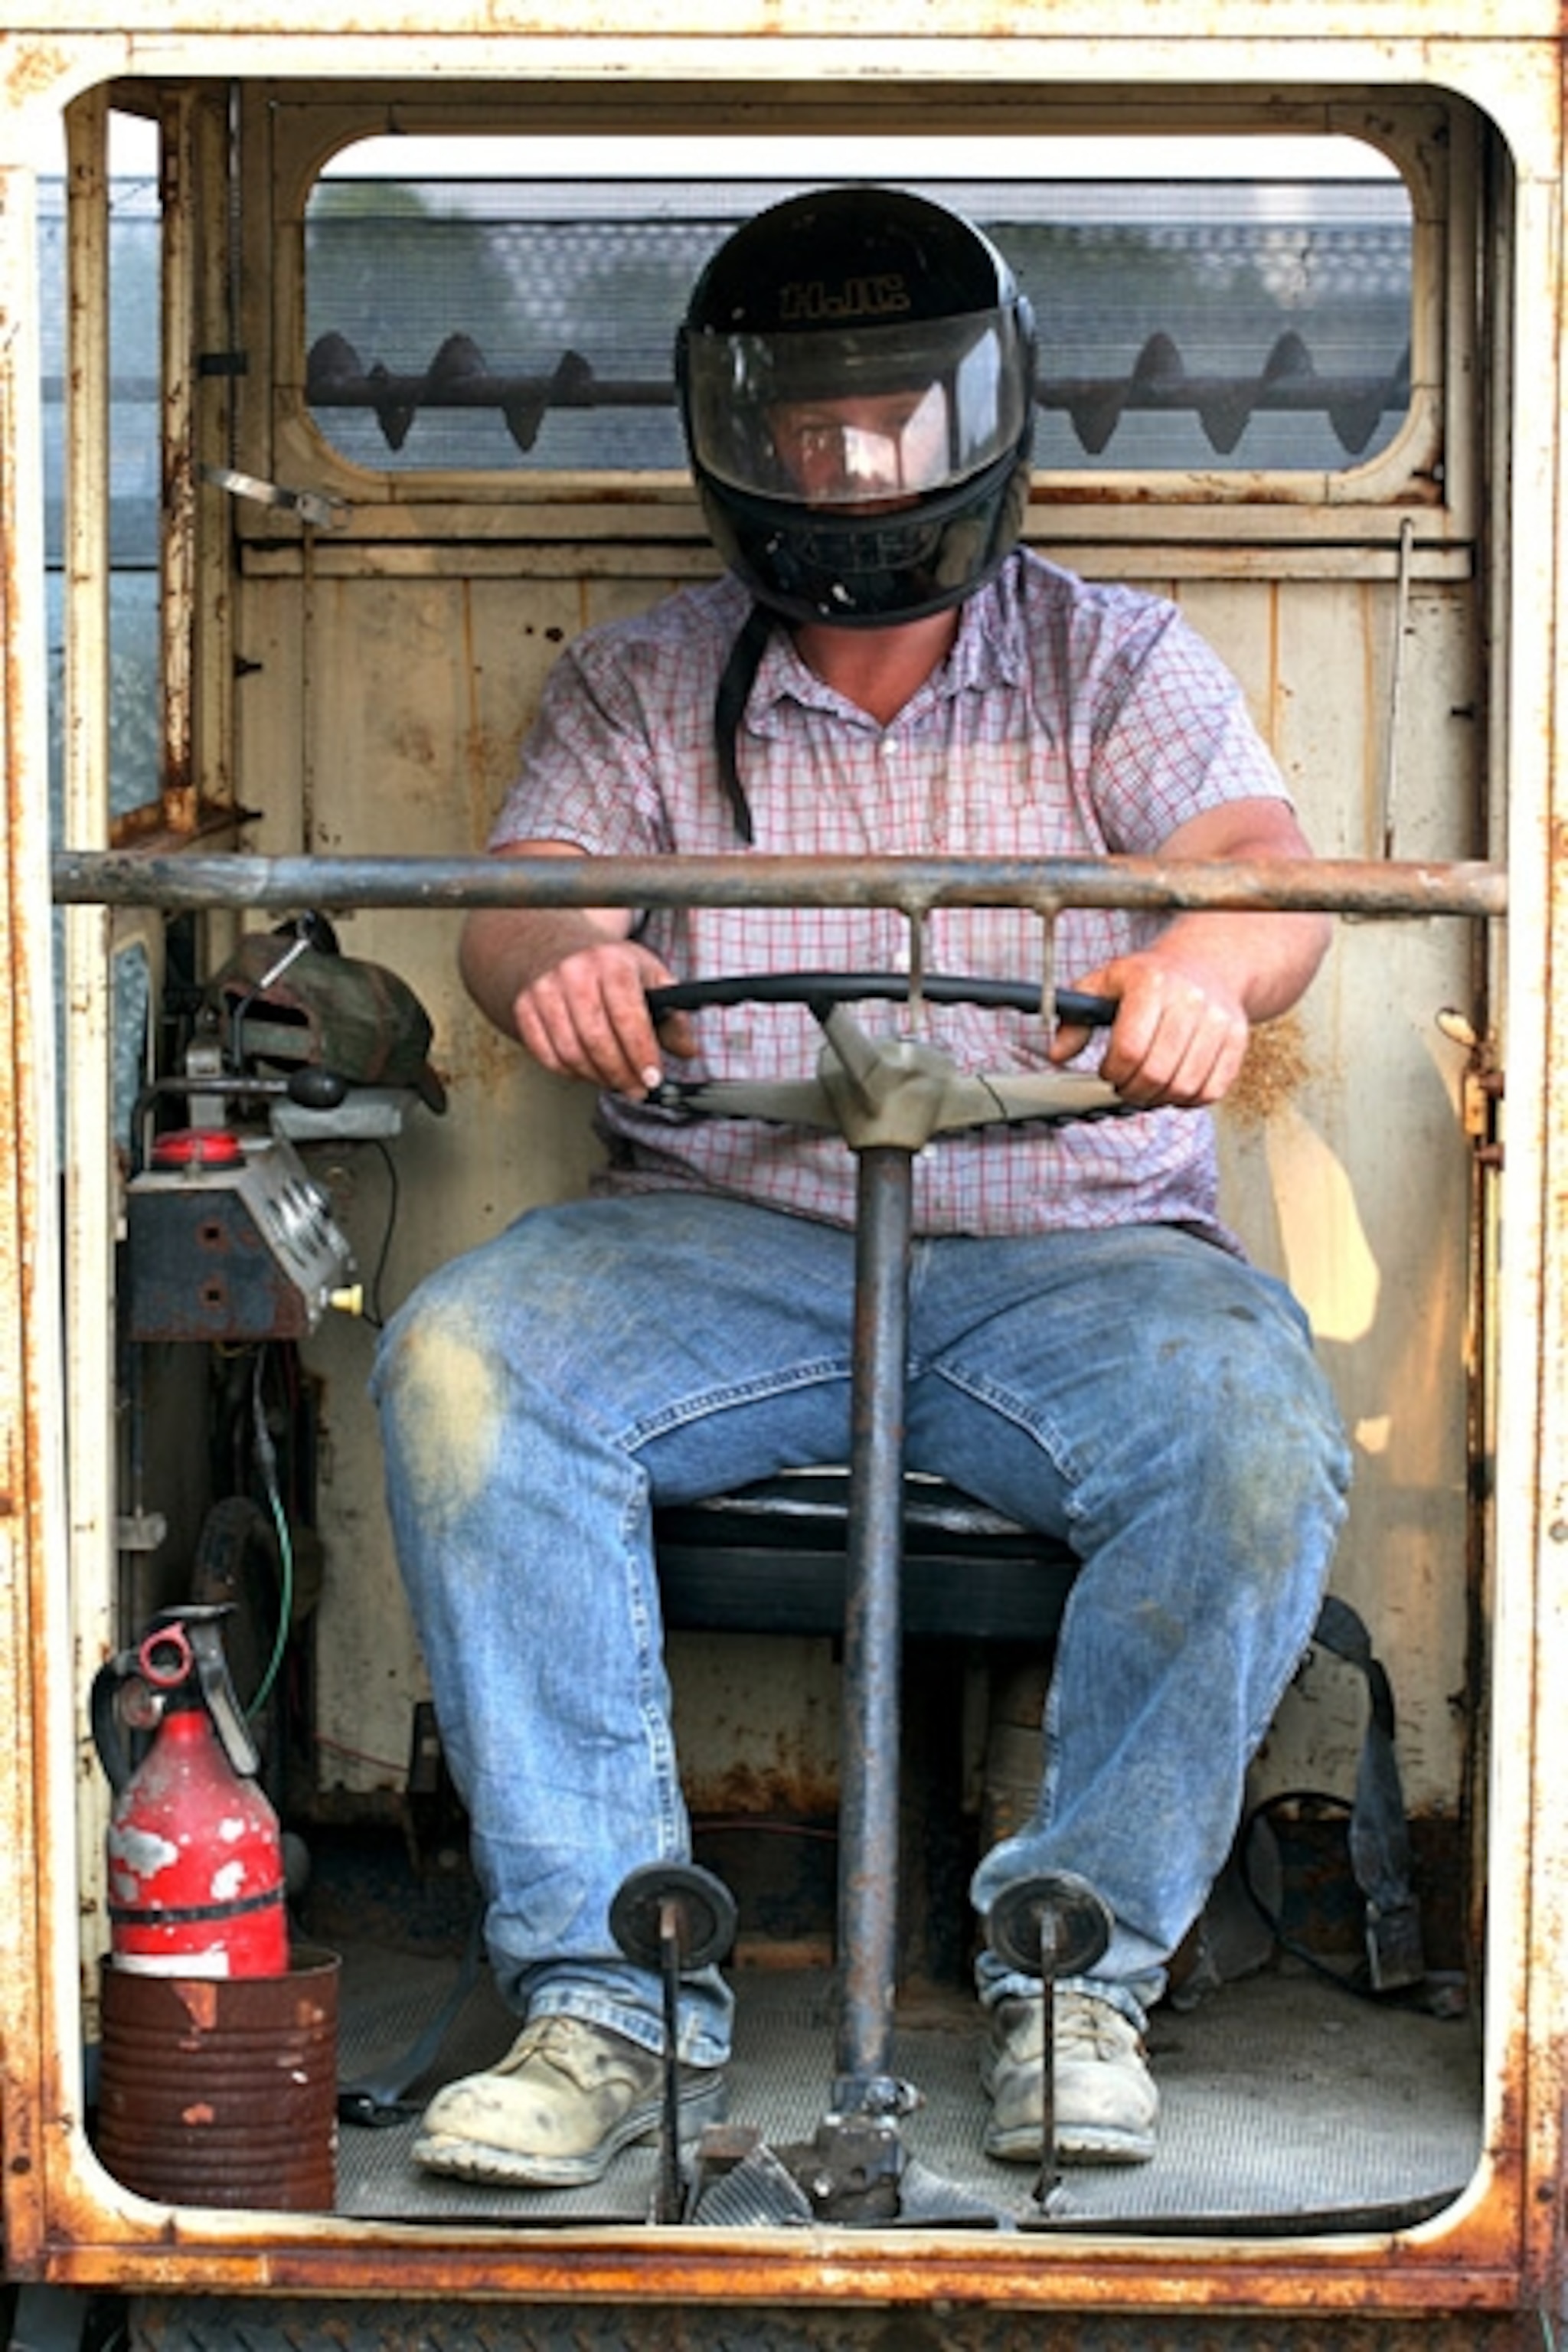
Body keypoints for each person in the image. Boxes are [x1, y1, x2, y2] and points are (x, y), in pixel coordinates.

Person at [371, 184, 1352, 2190]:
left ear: (982, 414)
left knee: (1252, 1441)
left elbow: (1263, 864)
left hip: (1080, 1257)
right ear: (732, 433)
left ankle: (1070, 1975)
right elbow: (521, 898)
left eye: (884, 412)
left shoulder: (1110, 661)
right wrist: (553, 957)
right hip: (722, 1243)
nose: (841, 459)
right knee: (468, 1363)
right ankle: (610, 2000)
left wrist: (1195, 968)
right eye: (798, 419)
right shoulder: (645, 684)